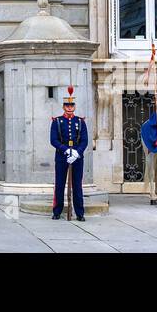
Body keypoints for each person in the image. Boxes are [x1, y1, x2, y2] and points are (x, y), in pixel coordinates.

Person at [50, 86, 88, 221]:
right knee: (59, 185)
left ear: (75, 106)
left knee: (77, 186)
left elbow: (84, 140)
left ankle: (80, 213)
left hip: (77, 158)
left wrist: (77, 153)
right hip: (62, 156)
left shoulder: (80, 121)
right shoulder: (57, 121)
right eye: (67, 105)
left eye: (71, 105)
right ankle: (57, 211)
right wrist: (66, 150)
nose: (69, 107)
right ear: (63, 106)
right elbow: (53, 140)